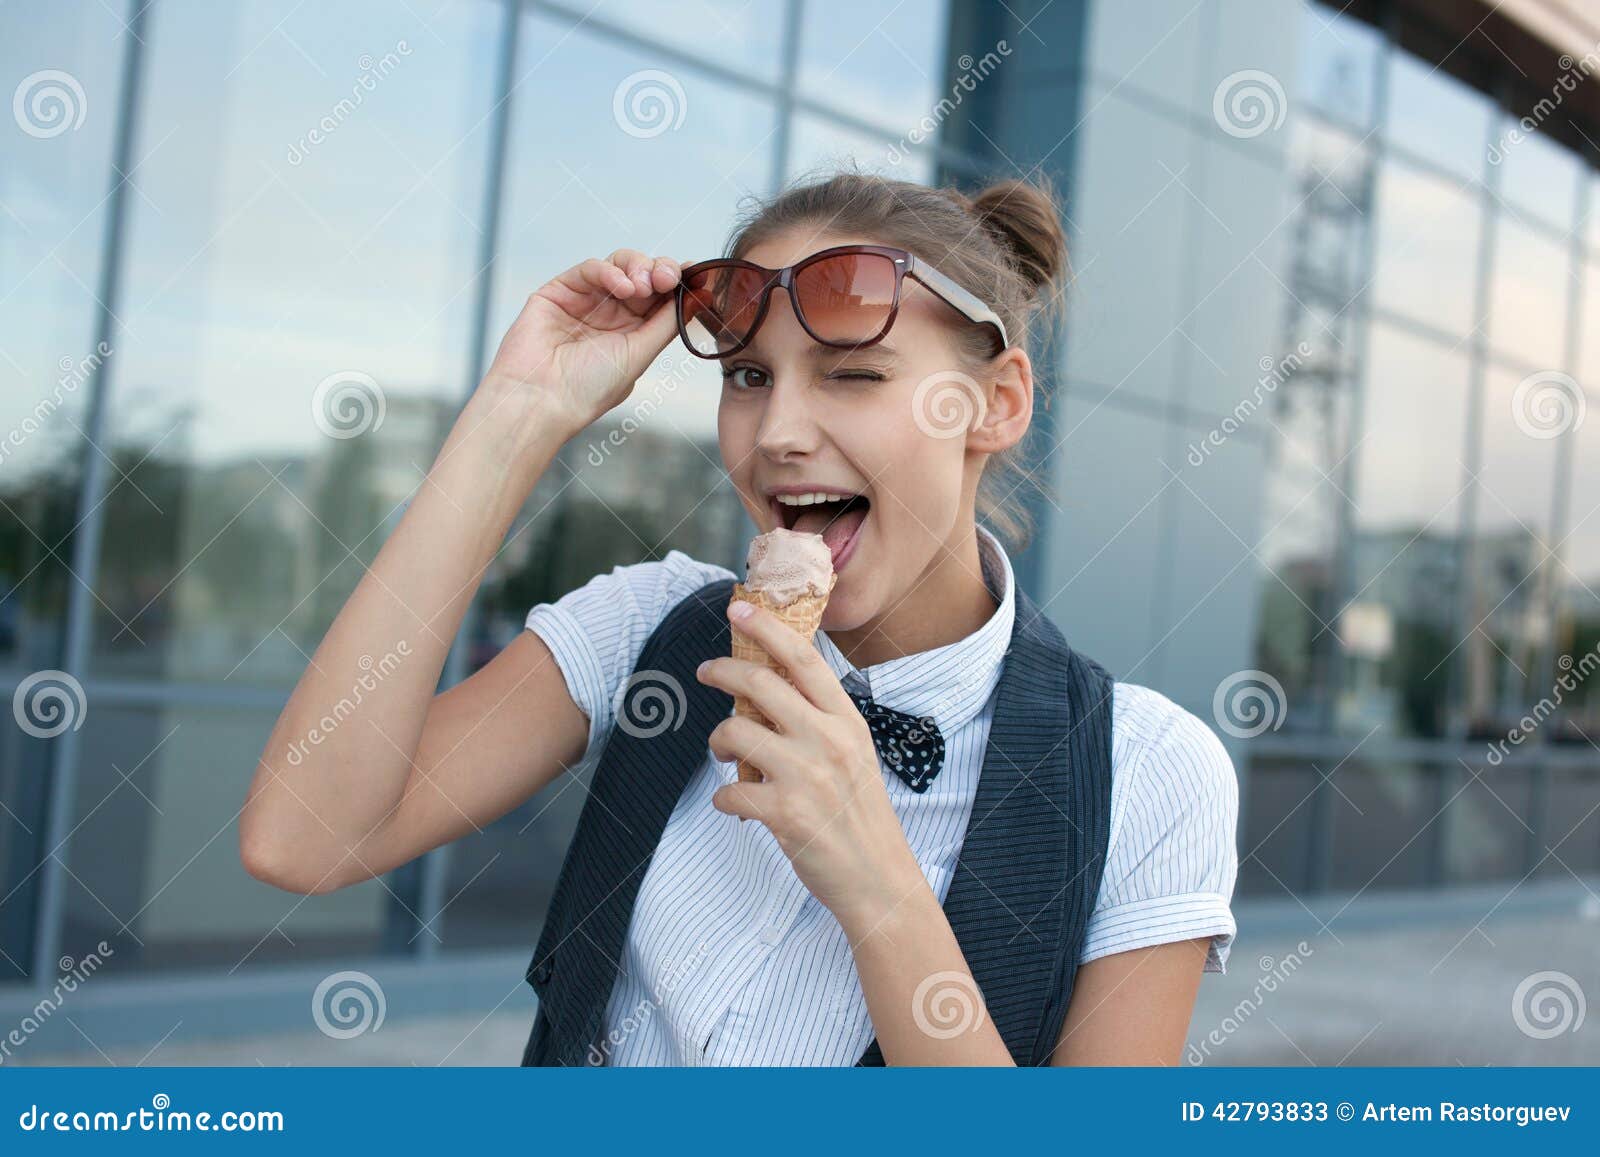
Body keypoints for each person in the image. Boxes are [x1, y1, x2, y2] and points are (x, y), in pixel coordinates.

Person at [240, 168, 1239, 1067]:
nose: (778, 433)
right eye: (748, 376)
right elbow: (308, 837)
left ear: (996, 403)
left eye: (853, 373)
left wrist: (878, 886)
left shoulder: (1144, 771)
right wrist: (518, 413)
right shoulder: (655, 628)